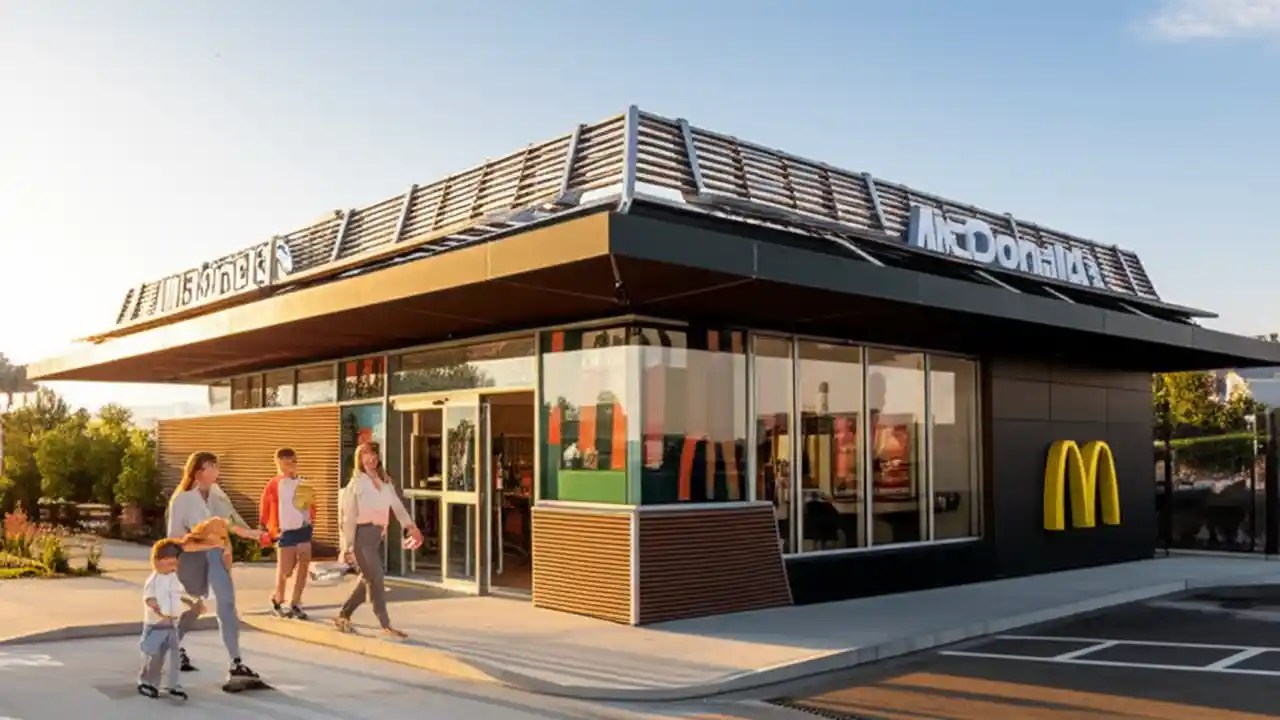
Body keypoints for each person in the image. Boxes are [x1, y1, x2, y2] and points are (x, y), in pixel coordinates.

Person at [168, 451, 269, 684]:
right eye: (211, 466)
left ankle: (235, 662)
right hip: (190, 558)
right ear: (198, 472)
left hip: (216, 556)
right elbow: (175, 539)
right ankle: (174, 645)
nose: (217, 470)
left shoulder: (217, 494)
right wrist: (205, 541)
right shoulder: (181, 499)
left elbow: (230, 522)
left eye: (216, 466)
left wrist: (254, 535)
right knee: (193, 608)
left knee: (226, 605)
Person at [334, 440, 423, 640]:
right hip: (361, 536)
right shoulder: (356, 484)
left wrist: (411, 527)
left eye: (375, 454)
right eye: (367, 454)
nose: (372, 458)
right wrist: (346, 547)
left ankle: (343, 615)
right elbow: (347, 517)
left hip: (376, 537)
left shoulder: (385, 483)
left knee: (369, 578)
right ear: (360, 458)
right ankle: (385, 624)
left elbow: (397, 507)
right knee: (377, 576)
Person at [259, 447, 317, 619]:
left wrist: (311, 519)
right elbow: (265, 506)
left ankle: (296, 602)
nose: (290, 466)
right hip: (285, 531)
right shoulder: (274, 484)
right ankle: (278, 599)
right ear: (278, 464)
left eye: (292, 461)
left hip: (303, 529)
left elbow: (311, 503)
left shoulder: (303, 482)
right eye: (284, 463)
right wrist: (264, 527)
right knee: (285, 571)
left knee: (303, 566)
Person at [137, 539, 190, 701]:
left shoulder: (173, 577)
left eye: (175, 565)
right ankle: (147, 682)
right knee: (154, 656)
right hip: (156, 626)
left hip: (172, 625)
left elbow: (178, 594)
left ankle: (173, 684)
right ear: (158, 561)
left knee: (174, 655)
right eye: (169, 565)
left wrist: (190, 603)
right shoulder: (153, 580)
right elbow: (149, 599)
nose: (172, 568)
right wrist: (159, 611)